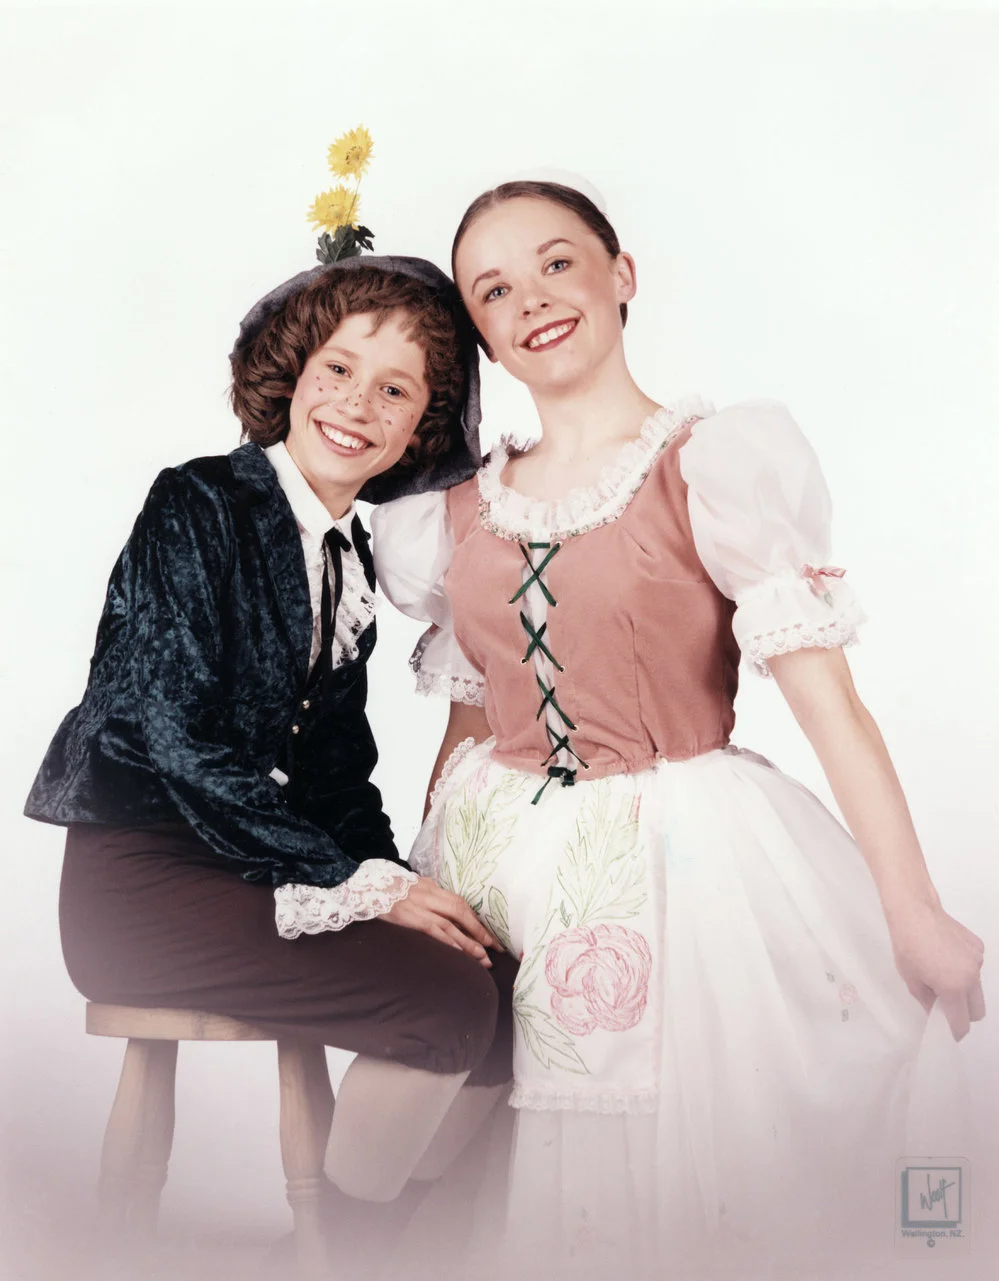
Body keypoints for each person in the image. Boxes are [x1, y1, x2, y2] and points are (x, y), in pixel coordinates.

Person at [371, 179, 986, 1279]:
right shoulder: (455, 514)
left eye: (558, 263)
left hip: (684, 863)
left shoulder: (710, 468)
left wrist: (914, 908)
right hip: (496, 859)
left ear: (622, 276)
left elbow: (830, 703)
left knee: (681, 1152)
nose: (533, 300)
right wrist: (423, 882)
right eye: (495, 289)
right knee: (476, 1139)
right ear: (485, 338)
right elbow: (469, 722)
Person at [23, 250, 518, 1262]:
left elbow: (337, 774)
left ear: (419, 424)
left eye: (395, 390)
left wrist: (403, 880)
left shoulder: (348, 564)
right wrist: (357, 884)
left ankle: (394, 1239)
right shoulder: (198, 504)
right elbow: (170, 732)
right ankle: (346, 1246)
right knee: (441, 1002)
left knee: (498, 992)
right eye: (339, 370)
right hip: (143, 885)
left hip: (251, 869)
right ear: (294, 372)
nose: (357, 405)